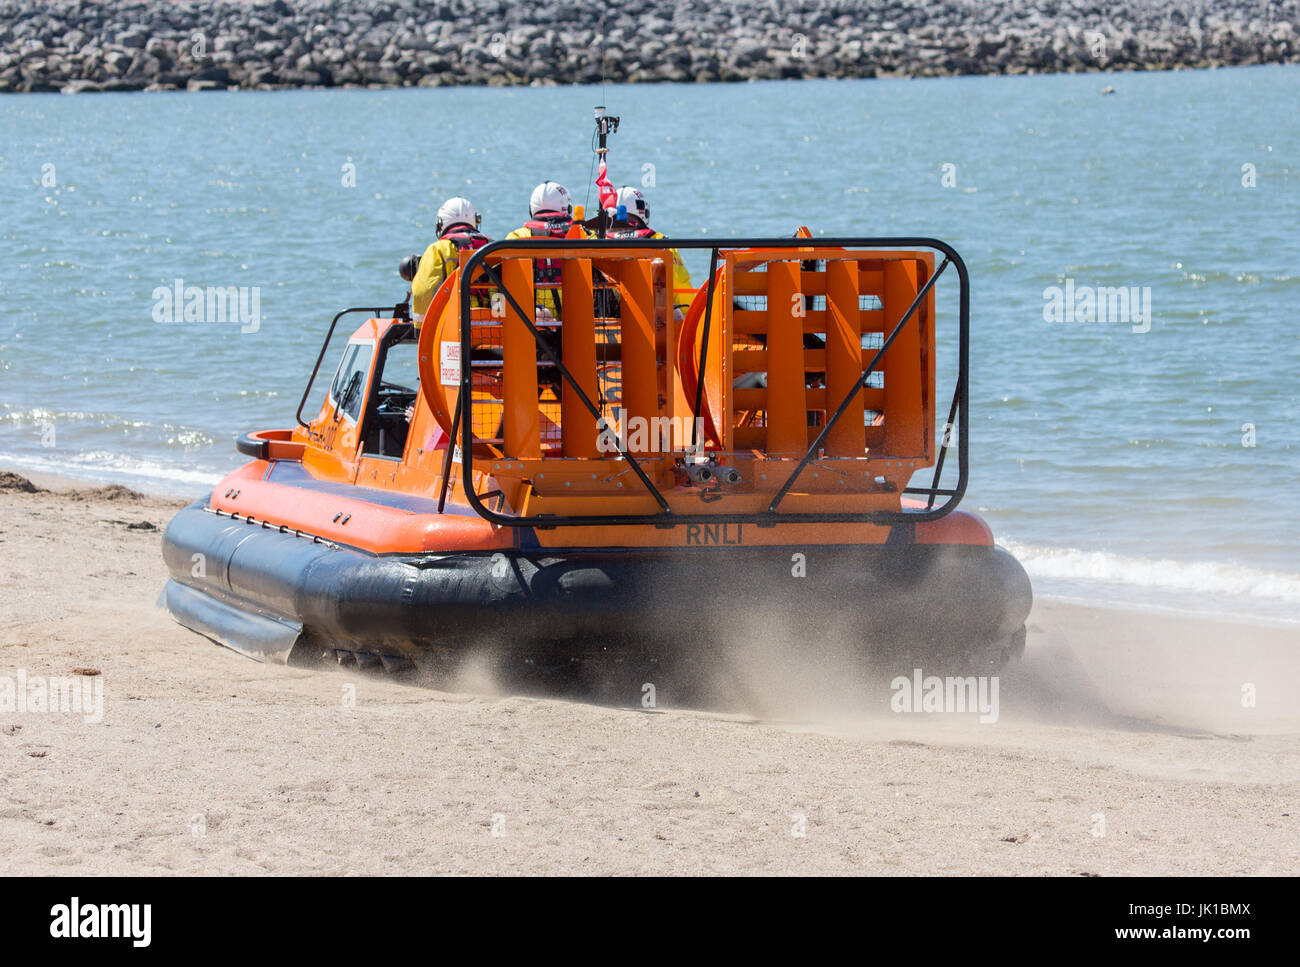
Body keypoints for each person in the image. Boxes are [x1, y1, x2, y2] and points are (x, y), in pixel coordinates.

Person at [606, 186, 693, 310]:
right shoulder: (660, 243)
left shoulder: (597, 243)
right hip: (654, 321)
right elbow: (681, 287)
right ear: (643, 212)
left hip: (606, 321)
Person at [405, 196, 490, 319]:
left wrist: (420, 329)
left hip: (453, 326)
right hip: (495, 326)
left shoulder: (438, 250)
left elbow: (423, 292)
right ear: (476, 221)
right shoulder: (492, 247)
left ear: (440, 224)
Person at [505, 181, 580, 318]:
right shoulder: (580, 235)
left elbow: (499, 279)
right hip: (576, 316)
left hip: (530, 320)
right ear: (567, 208)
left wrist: (499, 314)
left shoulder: (516, 237)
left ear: (531, 210)